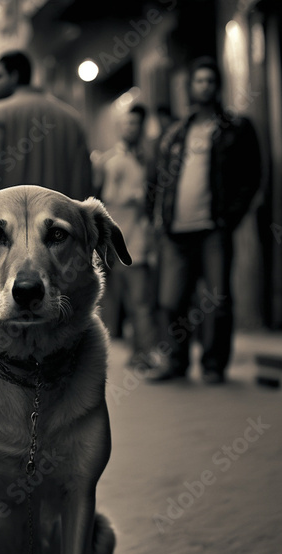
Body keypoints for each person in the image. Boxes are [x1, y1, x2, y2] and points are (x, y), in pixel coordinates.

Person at [146, 57, 261, 384]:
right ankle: (176, 362)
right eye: (199, 81)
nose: (205, 86)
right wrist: (157, 218)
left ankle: (213, 365)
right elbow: (157, 181)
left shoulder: (236, 129)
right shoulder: (176, 134)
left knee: (217, 300)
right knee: (170, 300)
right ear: (191, 88)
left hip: (213, 229)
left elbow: (251, 178)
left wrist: (230, 218)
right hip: (175, 231)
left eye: (210, 81)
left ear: (218, 86)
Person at [0, 50, 92, 200]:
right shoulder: (72, 120)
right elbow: (84, 184)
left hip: (9, 218)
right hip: (60, 219)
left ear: (14, 77)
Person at [95, 104, 156, 368]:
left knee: (137, 301)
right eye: (127, 124)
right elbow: (109, 199)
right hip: (127, 242)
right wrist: (135, 197)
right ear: (120, 128)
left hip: (141, 238)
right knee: (139, 302)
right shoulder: (115, 162)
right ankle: (144, 354)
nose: (132, 128)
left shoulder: (145, 159)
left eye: (136, 124)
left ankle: (138, 352)